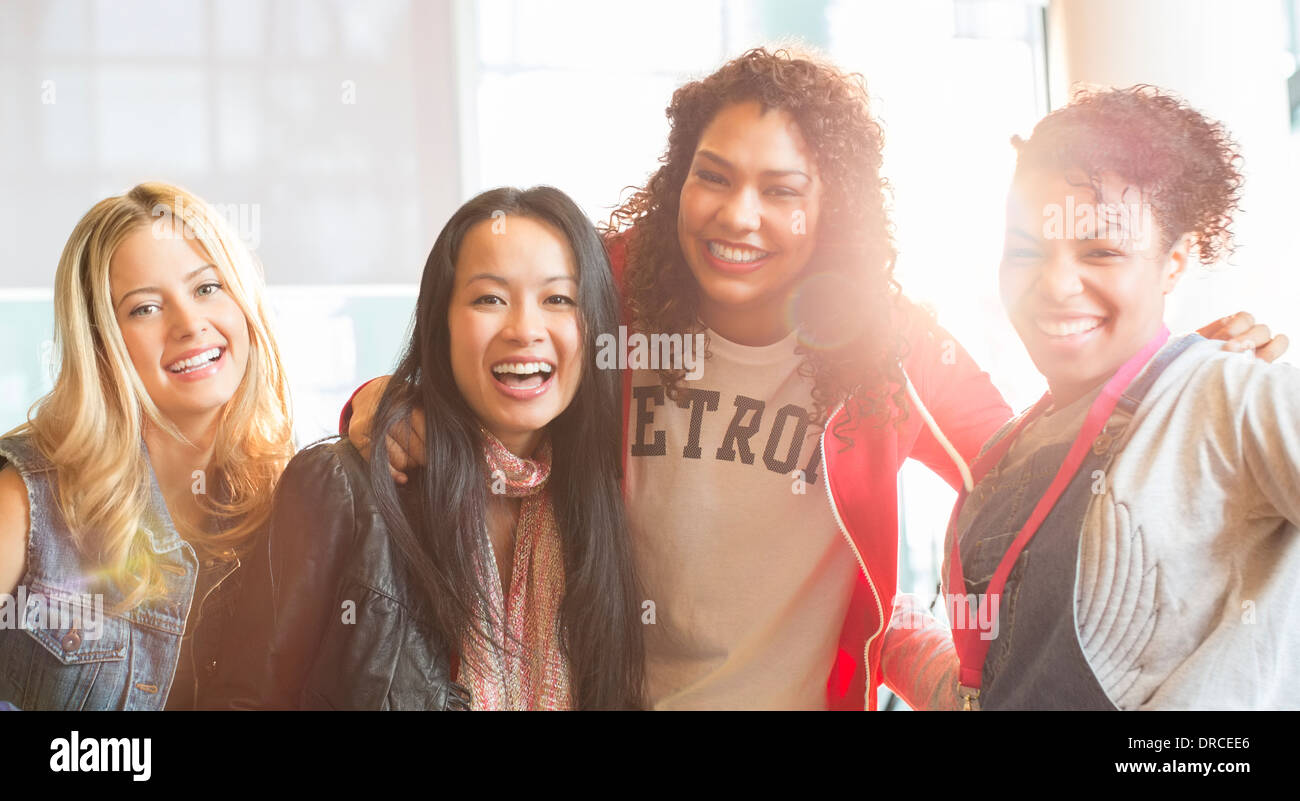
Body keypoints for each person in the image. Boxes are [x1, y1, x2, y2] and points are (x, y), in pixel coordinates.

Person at [344, 49, 1284, 710]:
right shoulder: (613, 286)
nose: (737, 216)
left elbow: (1035, 469)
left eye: (783, 190)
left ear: (830, 209)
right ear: (680, 181)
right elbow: (485, 353)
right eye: (713, 176)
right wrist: (392, 405)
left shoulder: (889, 345)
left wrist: (1175, 375)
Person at [941, 85, 1300, 710]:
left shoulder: (1227, 393)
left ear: (1175, 263)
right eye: (1026, 250)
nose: (1055, 284)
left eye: (1101, 251)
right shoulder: (1005, 450)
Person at [230, 186, 644, 710]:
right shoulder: (343, 489)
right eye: (489, 298)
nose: (524, 330)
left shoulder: (606, 498)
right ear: (440, 322)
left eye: (558, 299)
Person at [0, 182, 294, 710]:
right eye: (145, 309)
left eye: (207, 288)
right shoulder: (24, 500)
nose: (190, 325)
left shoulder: (293, 494)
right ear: (101, 343)